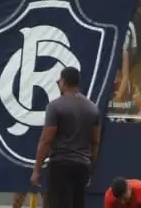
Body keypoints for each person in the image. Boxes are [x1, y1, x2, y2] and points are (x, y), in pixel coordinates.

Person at [31, 65, 101, 208]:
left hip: (61, 166)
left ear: (63, 82)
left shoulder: (55, 106)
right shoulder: (93, 109)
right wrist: (89, 169)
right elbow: (95, 142)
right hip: (82, 167)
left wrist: (37, 170)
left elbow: (46, 140)